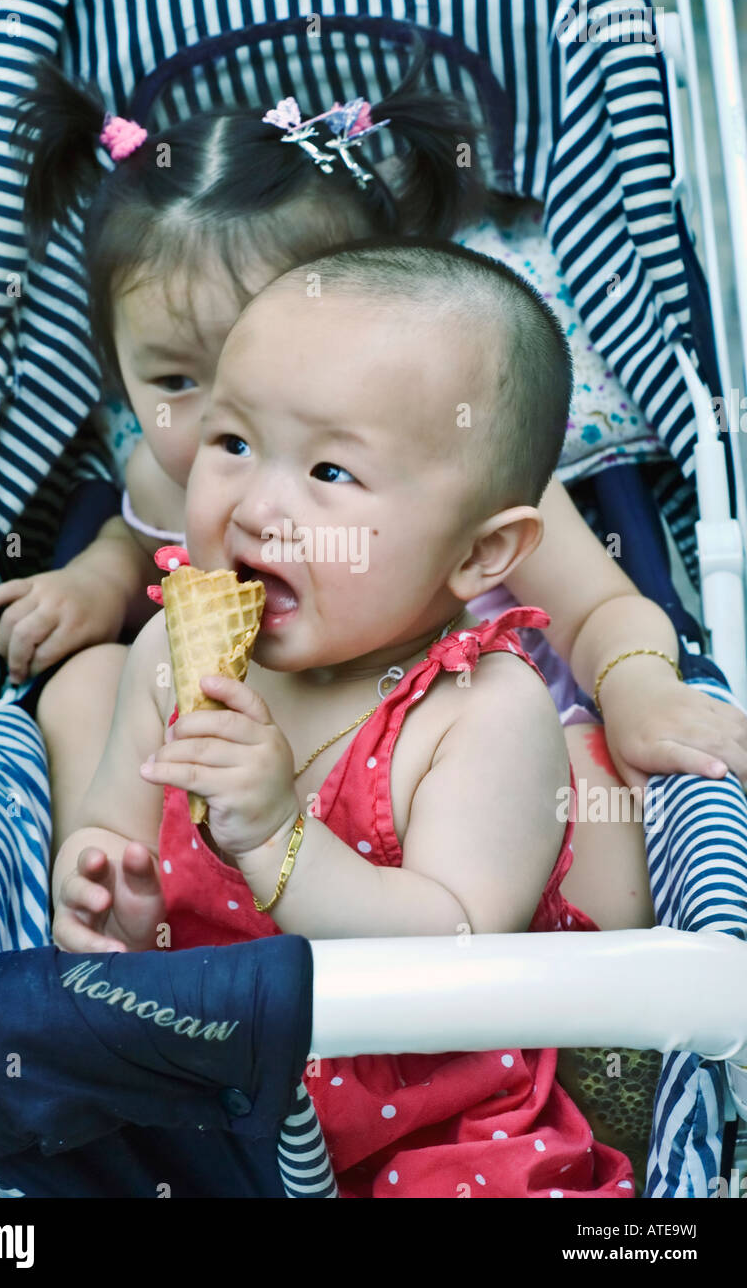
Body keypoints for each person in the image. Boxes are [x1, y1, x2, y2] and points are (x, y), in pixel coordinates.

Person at [0, 56, 747, 934]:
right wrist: (93, 585)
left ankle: (605, 1010)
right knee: (91, 681)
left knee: (591, 784)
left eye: (325, 467)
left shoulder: (469, 482)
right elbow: (137, 545)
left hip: (454, 800)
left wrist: (638, 688)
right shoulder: (183, 515)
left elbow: (602, 609)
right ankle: (116, 886)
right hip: (250, 810)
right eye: (225, 427)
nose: (242, 482)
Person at [48, 237, 633, 1198]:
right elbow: (118, 826)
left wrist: (283, 840)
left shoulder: (481, 712)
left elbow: (457, 941)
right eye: (232, 443)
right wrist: (109, 887)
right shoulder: (170, 656)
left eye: (330, 474)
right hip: (198, 1094)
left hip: (433, 1127)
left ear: (482, 554)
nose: (257, 504)